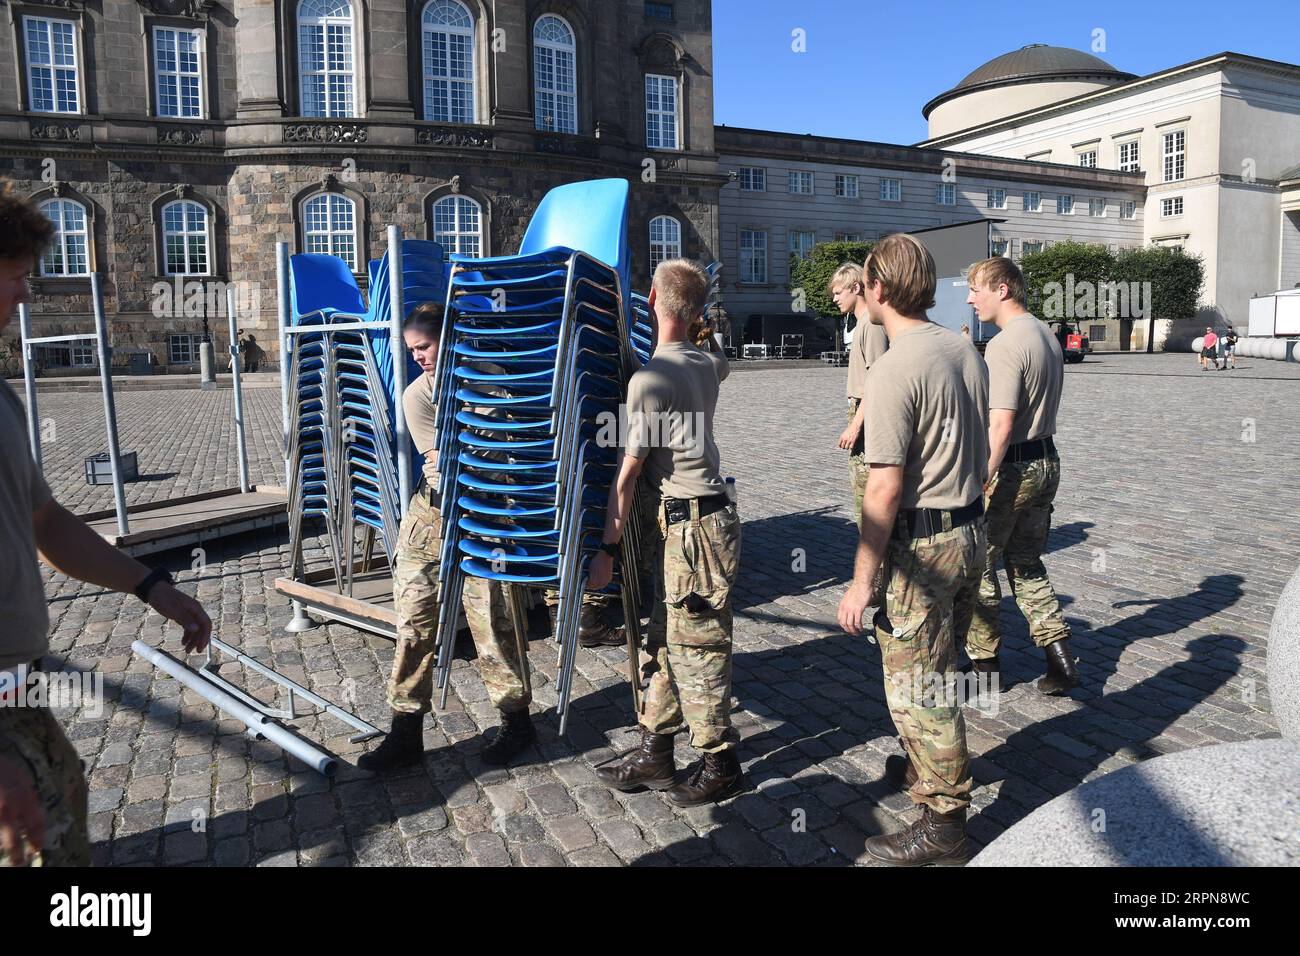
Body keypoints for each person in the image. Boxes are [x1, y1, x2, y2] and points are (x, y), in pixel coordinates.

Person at [0, 183, 212, 866]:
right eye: (15, 279)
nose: (27, 298)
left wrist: (151, 585)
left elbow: (45, 519)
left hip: (14, 685)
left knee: (66, 806)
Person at [837, 234, 987, 866]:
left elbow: (885, 485)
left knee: (919, 686)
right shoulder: (963, 347)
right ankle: (930, 773)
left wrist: (861, 581)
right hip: (969, 532)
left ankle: (946, 823)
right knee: (941, 669)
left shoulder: (895, 366)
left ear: (876, 288)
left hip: (923, 548)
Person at [587, 258, 743, 807]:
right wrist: (701, 325)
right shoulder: (702, 361)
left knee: (698, 649)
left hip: (694, 530)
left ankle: (721, 762)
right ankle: (656, 750)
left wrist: (607, 547)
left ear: (652, 301)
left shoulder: (650, 381)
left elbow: (627, 477)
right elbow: (718, 361)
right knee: (665, 641)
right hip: (696, 522)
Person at [358, 302, 536, 772]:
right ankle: (405, 732)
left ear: (451, 338)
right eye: (411, 348)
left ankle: (517, 721)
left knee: (493, 624)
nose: (417, 356)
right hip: (431, 518)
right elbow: (447, 467)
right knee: (414, 623)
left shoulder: (497, 381)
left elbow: (516, 458)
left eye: (425, 346)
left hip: (486, 521)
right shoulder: (416, 396)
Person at [963, 257, 1078, 695]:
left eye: (978, 289)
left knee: (978, 566)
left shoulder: (1007, 343)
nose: (971, 298)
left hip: (1010, 467)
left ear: (1004, 289)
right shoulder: (1045, 334)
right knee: (1026, 564)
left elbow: (1001, 423)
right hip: (1045, 460)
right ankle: (1061, 659)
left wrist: (978, 481)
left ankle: (985, 668)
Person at [832, 263, 888, 527]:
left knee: (868, 504)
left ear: (856, 288)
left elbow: (877, 383)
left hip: (867, 417)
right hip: (861, 411)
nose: (835, 299)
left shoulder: (871, 326)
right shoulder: (863, 325)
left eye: (838, 292)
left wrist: (855, 426)